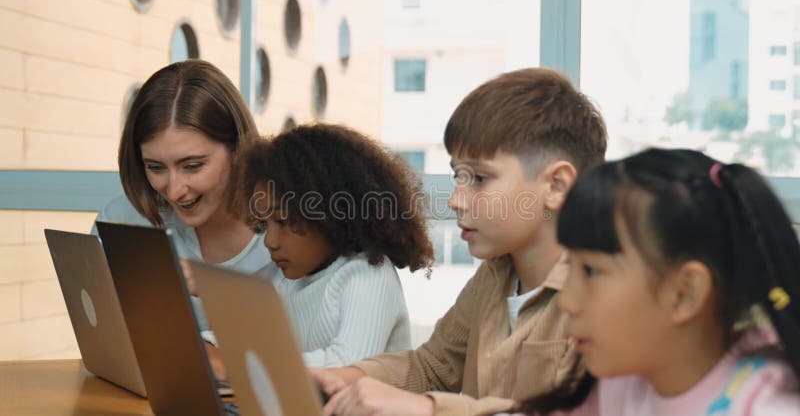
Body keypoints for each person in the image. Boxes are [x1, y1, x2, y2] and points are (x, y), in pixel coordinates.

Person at [313, 68, 608, 416]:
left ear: (556, 186)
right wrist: (345, 377)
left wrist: (428, 409)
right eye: (459, 176)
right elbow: (434, 366)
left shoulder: (600, 294)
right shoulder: (494, 276)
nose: (456, 200)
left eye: (480, 178)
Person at [506, 148, 800, 415]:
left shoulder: (769, 406)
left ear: (685, 293)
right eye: (570, 266)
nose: (567, 301)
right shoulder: (624, 381)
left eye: (592, 271)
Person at [93, 60, 269, 370]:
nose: (174, 191)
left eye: (192, 166)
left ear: (238, 150)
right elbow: (105, 337)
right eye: (156, 168)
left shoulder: (289, 231)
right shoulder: (122, 219)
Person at [231, 123, 434, 367]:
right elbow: (249, 334)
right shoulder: (289, 279)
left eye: (284, 221)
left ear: (332, 215)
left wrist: (242, 362)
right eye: (265, 224)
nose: (269, 241)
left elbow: (347, 364)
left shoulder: (368, 275)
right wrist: (211, 345)